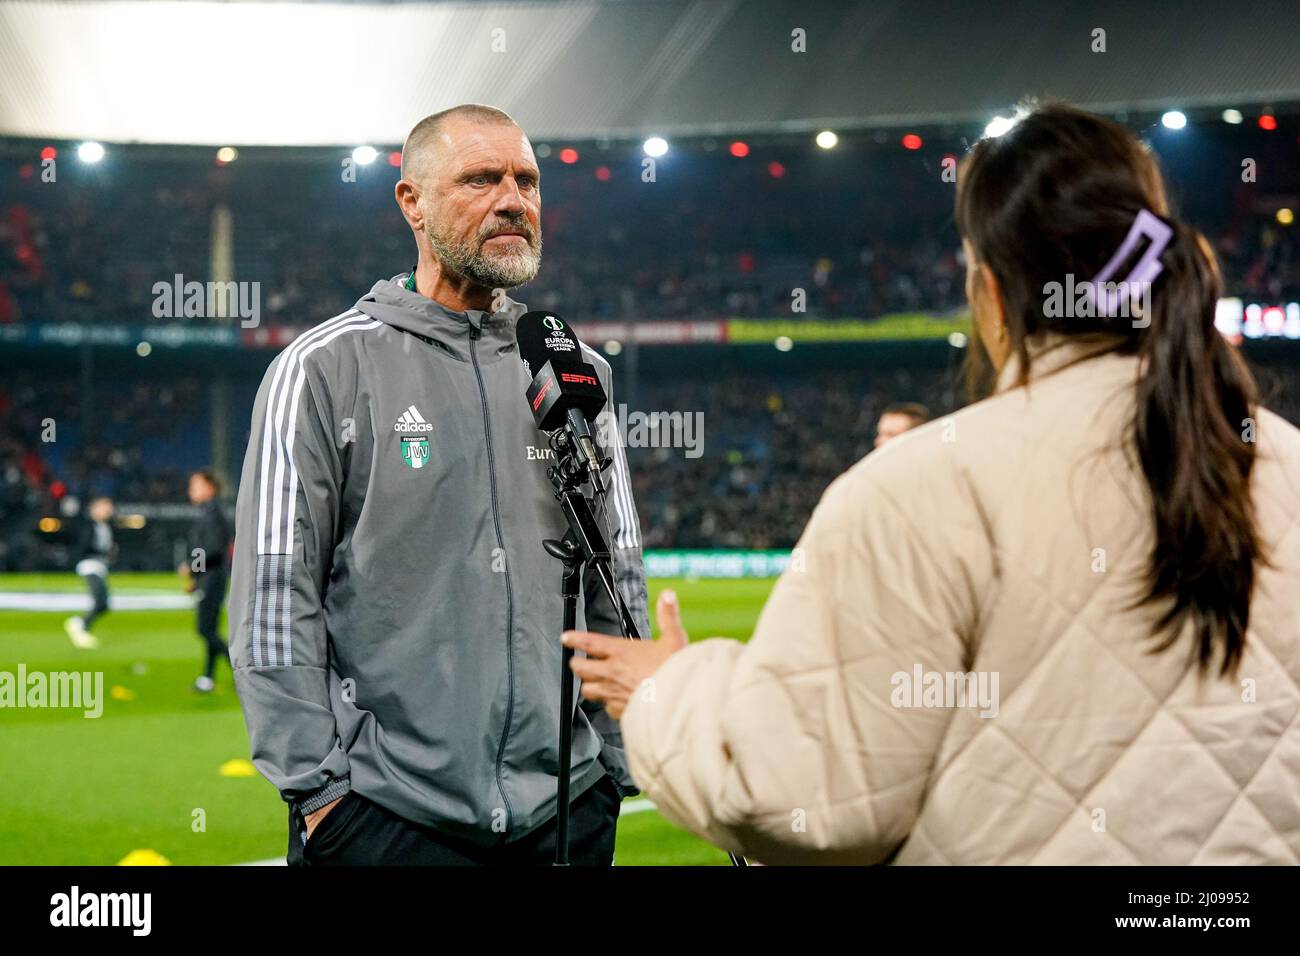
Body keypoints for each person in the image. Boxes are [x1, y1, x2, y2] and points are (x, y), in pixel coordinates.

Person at [565, 103, 1300, 864]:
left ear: (990, 292)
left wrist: (667, 692)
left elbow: (797, 799)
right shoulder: (1285, 462)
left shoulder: (916, 489)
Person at [229, 103, 648, 865]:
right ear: (412, 202)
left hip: (568, 810)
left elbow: (616, 576)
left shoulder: (576, 370)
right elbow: (274, 596)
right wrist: (319, 794)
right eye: (481, 179)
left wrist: (617, 765)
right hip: (386, 819)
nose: (513, 200)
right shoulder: (324, 368)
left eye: (527, 181)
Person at [179, 469, 232, 693]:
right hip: (210, 577)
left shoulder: (211, 514)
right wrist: (196, 576)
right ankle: (207, 678)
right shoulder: (210, 512)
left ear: (210, 488)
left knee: (205, 630)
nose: (191, 490)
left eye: (196, 485)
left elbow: (211, 549)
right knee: (211, 629)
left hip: (212, 578)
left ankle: (242, 671)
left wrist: (193, 567)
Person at [64, 495, 115, 649]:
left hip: (100, 566)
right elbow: (83, 546)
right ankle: (80, 625)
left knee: (104, 604)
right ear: (95, 508)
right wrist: (104, 553)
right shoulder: (87, 525)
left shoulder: (105, 526)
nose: (109, 510)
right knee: (100, 600)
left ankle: (81, 625)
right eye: (105, 506)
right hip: (90, 565)